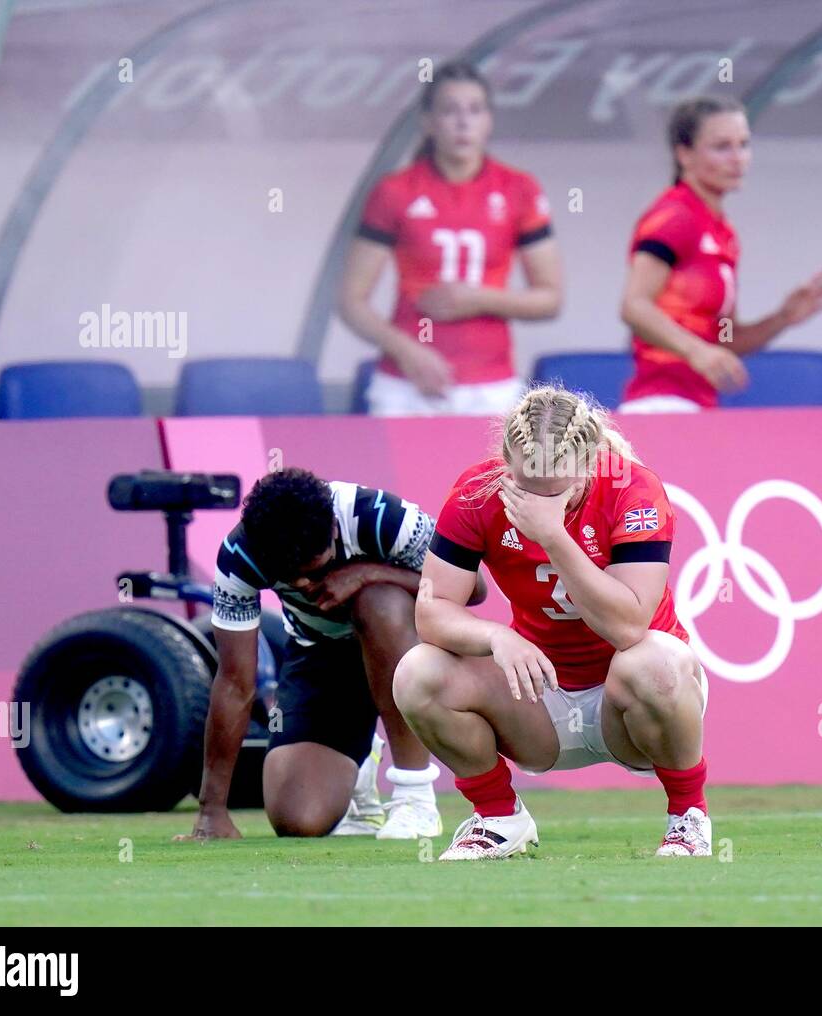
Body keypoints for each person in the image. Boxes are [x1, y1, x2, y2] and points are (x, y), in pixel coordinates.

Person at [393, 386, 711, 859]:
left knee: (655, 661)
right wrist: (496, 636)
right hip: (541, 700)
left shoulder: (633, 488)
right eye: (527, 487)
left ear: (591, 462)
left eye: (558, 489)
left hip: (634, 704)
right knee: (418, 672)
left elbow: (627, 627)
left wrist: (553, 536)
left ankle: (688, 816)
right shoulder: (477, 492)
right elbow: (432, 612)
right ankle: (498, 818)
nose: (541, 501)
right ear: (505, 460)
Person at [177, 468, 483, 841]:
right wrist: (212, 810)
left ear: (335, 531)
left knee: (379, 604)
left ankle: (413, 798)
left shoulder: (382, 515)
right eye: (288, 580)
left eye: (313, 570)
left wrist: (366, 574)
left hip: (407, 647)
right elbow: (234, 683)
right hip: (322, 656)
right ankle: (362, 766)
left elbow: (474, 588)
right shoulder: (240, 556)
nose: (304, 586)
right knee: (298, 820)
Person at [338, 61, 562, 416]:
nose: (463, 122)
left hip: (492, 385)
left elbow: (550, 298)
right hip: (405, 385)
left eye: (474, 110)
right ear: (427, 122)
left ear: (489, 121)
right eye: (449, 110)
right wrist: (408, 351)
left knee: (496, 474)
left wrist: (479, 299)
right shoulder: (394, 192)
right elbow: (352, 301)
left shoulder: (519, 189)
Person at [618, 96, 822, 412]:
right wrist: (696, 352)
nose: (738, 158)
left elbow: (725, 341)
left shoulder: (722, 232)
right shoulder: (674, 216)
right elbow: (634, 306)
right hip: (660, 401)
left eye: (744, 145)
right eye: (722, 147)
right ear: (684, 154)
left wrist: (782, 318)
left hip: (700, 404)